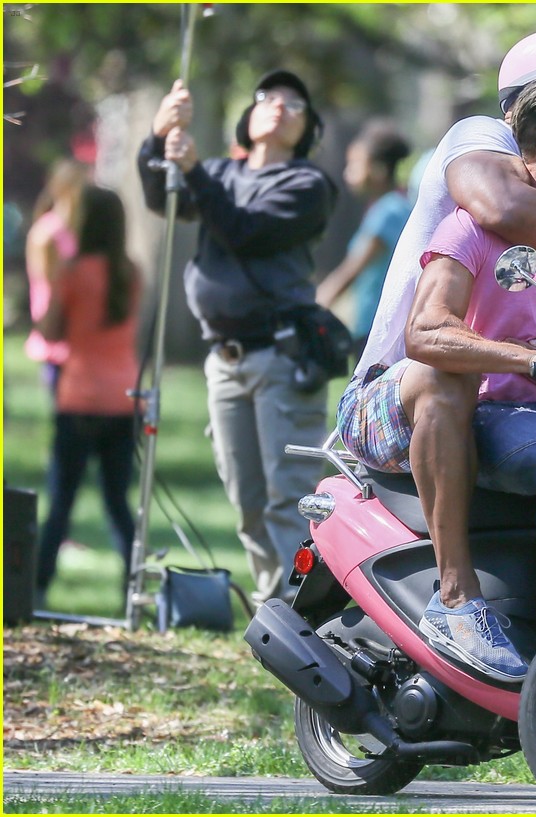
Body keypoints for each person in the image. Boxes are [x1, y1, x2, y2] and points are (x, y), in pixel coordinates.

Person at [342, 30, 536, 681]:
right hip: (391, 387)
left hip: (499, 387)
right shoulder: (478, 139)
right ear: (528, 110)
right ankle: (455, 600)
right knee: (447, 376)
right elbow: (503, 205)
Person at [137, 70, 336, 606]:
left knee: (288, 495)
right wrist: (158, 140)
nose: (279, 106)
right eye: (269, 97)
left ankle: (304, 615)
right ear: (248, 118)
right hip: (223, 360)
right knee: (245, 497)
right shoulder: (220, 173)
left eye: (295, 103)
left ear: (308, 128)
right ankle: (276, 605)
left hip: (281, 355)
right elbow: (163, 197)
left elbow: (246, 230)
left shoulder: (307, 186)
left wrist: (193, 170)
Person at [34, 185, 141, 608]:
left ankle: (38, 586)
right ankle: (131, 590)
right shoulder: (131, 273)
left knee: (61, 500)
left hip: (79, 395)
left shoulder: (72, 271)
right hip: (123, 396)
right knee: (118, 502)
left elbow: (50, 331)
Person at [315, 120, 413, 358]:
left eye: (355, 165)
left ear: (378, 170)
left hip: (378, 329)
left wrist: (317, 303)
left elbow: (353, 268)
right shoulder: (392, 206)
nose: (347, 173)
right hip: (379, 326)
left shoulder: (388, 211)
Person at [24, 159, 88, 396]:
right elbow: (50, 282)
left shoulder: (77, 230)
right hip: (57, 329)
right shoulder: (47, 233)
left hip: (77, 331)